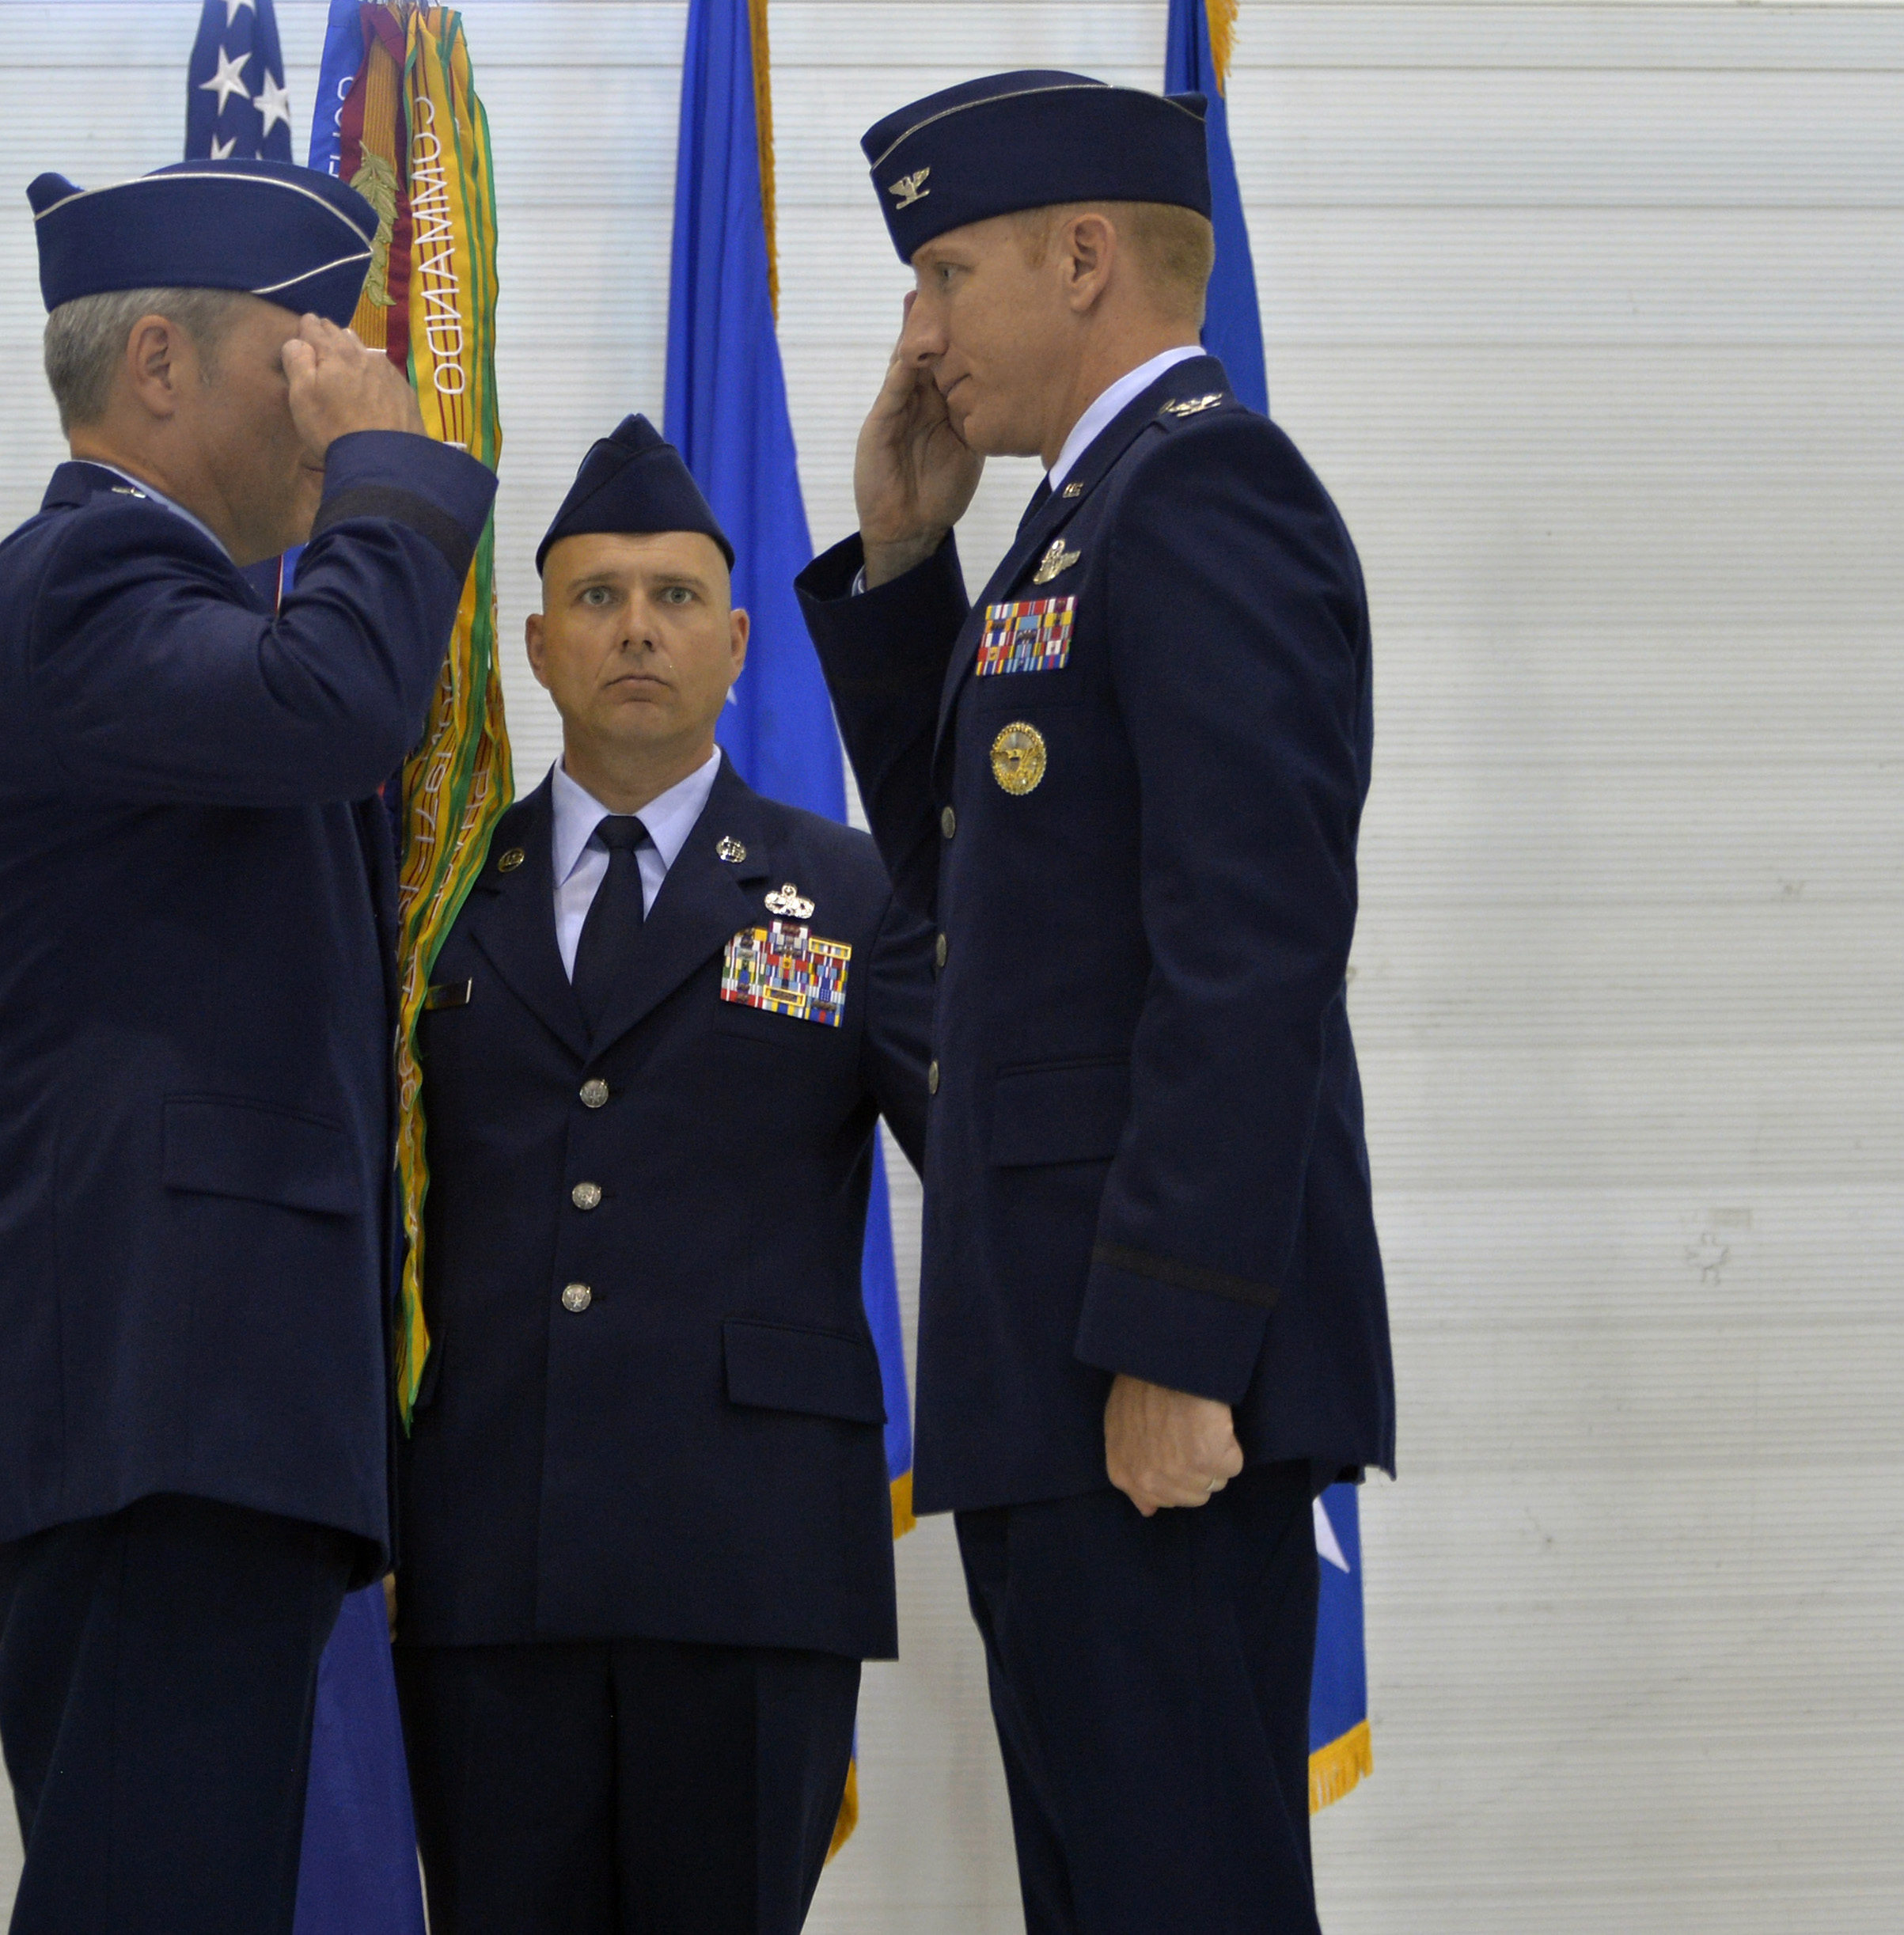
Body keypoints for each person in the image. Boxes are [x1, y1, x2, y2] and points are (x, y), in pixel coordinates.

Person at [795, 72, 1398, 1934]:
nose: (919, 335)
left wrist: (1181, 1335)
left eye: (943, 271)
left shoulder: (1206, 486)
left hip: (1142, 1367)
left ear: (1080, 260)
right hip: (1051, 1357)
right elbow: (983, 890)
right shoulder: (1078, 521)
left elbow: (1254, 938)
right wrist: (906, 571)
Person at [0, 157, 497, 1935]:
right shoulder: (81, 586)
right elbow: (343, 704)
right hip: (152, 1387)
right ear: (158, 360)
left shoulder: (171, 613)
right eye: (303, 354)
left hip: (196, 1393)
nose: (336, 394)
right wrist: (402, 473)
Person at [389, 415, 933, 1935]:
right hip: (491, 1557)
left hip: (748, 1557)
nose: (638, 625)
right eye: (601, 595)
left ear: (740, 638)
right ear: (539, 641)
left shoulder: (850, 891)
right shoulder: (436, 902)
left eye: (678, 596)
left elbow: (981, 1146)